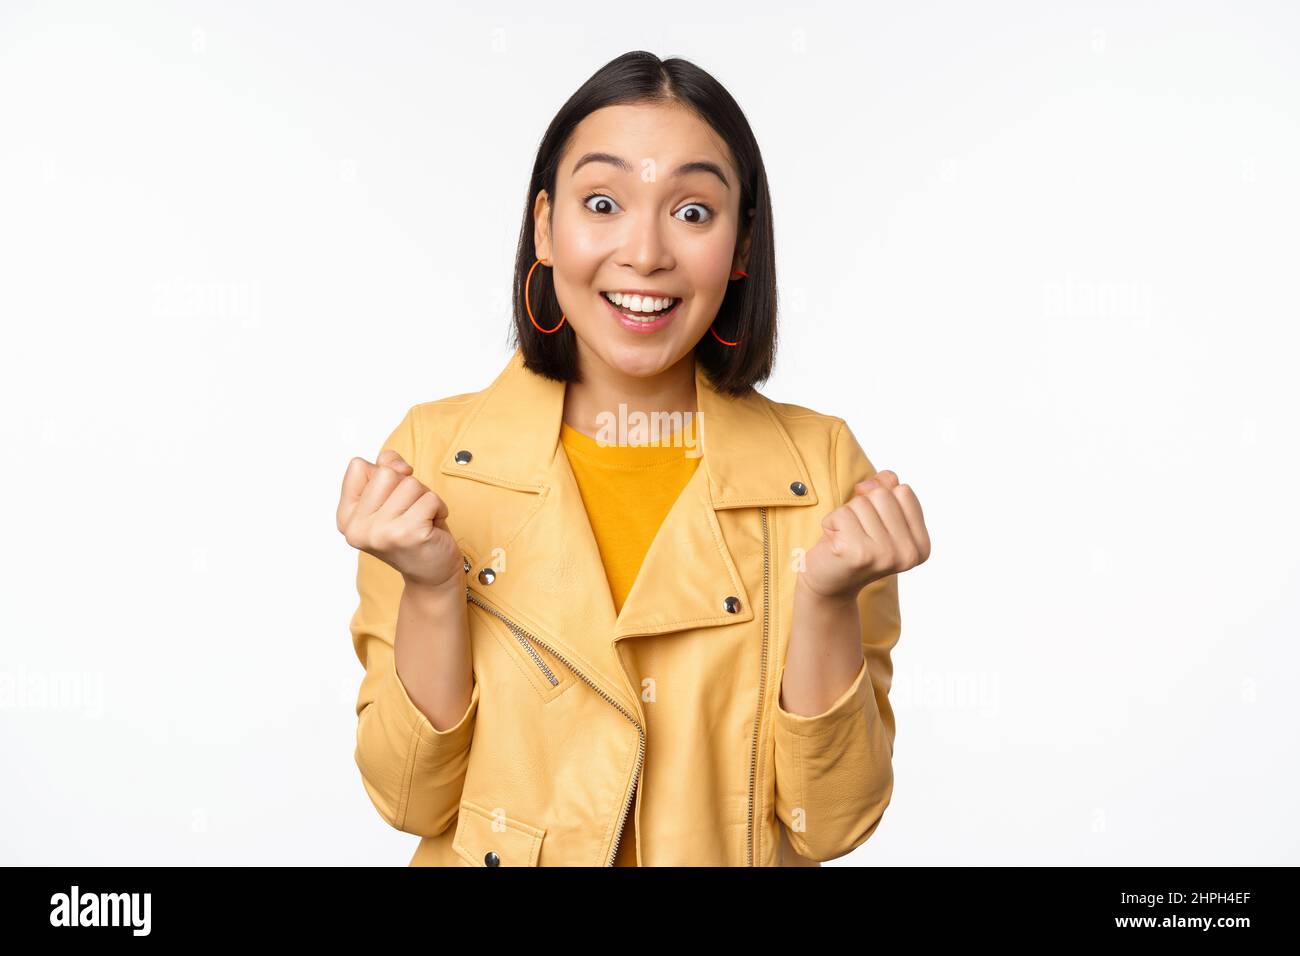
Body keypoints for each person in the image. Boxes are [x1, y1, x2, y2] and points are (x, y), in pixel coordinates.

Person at [336, 50, 931, 866]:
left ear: (742, 244)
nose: (646, 253)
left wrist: (826, 602)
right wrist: (434, 592)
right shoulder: (434, 460)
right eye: (604, 202)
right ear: (545, 227)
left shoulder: (822, 469)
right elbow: (409, 799)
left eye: (692, 213)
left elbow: (833, 822)